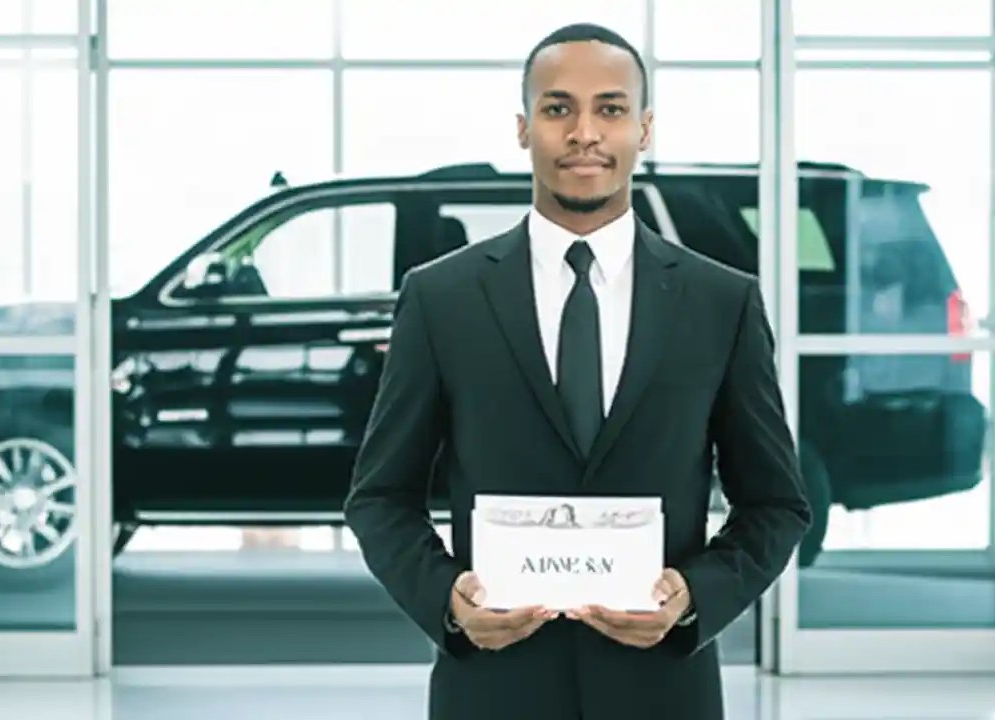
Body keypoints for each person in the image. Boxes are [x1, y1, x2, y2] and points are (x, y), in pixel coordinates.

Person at [343, 22, 811, 720]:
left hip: (662, 691)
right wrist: (445, 600)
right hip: (493, 689)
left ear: (644, 129)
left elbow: (776, 505)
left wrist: (696, 599)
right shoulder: (441, 297)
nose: (584, 132)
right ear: (524, 128)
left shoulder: (722, 302)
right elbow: (379, 498)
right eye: (558, 108)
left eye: (611, 109)